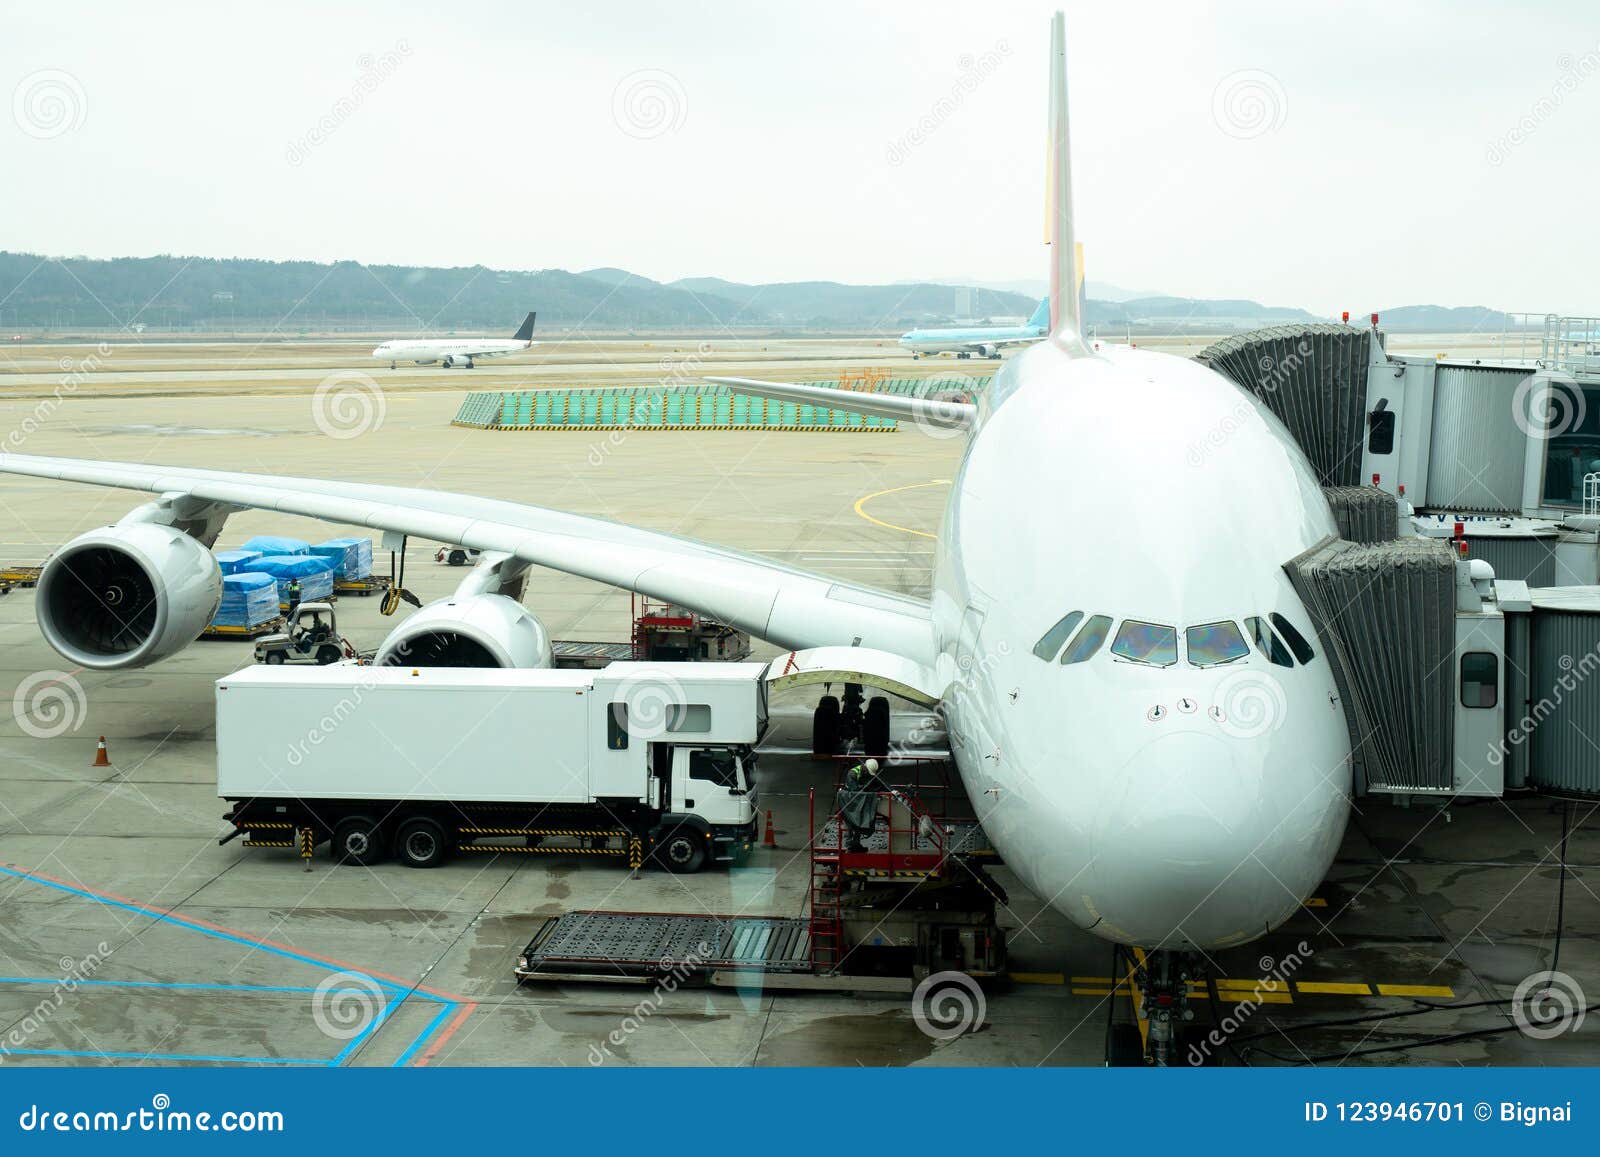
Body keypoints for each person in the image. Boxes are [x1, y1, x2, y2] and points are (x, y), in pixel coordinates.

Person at [838, 757, 884, 853]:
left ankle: (856, 845)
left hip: (859, 800)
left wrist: (892, 790)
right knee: (850, 822)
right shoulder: (852, 773)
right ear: (865, 767)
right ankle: (848, 847)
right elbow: (854, 790)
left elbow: (880, 783)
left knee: (859, 820)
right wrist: (866, 787)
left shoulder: (867, 772)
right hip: (848, 799)